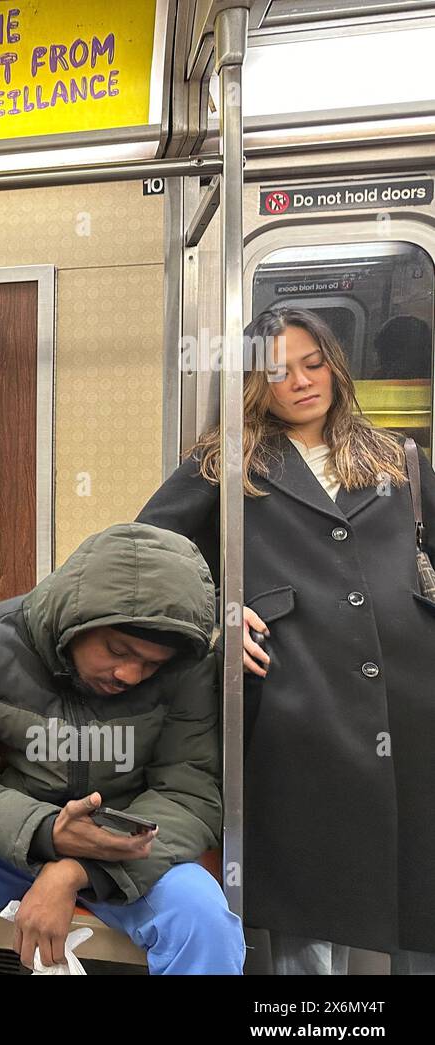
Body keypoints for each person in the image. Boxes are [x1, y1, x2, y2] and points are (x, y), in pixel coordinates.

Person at [137, 307, 435, 976]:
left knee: (421, 886)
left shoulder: (400, 458)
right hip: (300, 709)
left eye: (313, 362)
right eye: (279, 370)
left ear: (335, 363)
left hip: (414, 707)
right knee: (313, 899)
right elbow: (146, 561)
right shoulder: (223, 462)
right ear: (253, 382)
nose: (302, 381)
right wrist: (217, 618)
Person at [0, 523, 245, 975]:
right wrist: (46, 833)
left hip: (129, 852)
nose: (130, 675)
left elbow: (189, 796)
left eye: (152, 664)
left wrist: (75, 869)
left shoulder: (187, 672)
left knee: (204, 918)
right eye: (118, 650)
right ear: (76, 621)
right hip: (7, 841)